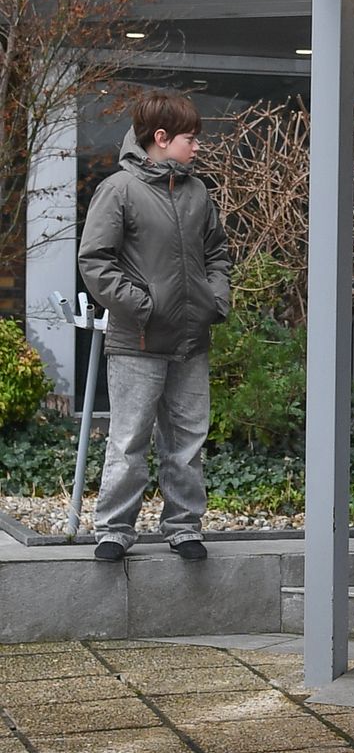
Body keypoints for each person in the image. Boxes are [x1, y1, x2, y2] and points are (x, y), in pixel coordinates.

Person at [78, 90, 230, 561]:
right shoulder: (119, 190)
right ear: (160, 139)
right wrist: (143, 307)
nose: (197, 147)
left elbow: (217, 255)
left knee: (187, 440)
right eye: (191, 138)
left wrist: (215, 300)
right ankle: (114, 531)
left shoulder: (198, 192)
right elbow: (95, 261)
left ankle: (184, 527)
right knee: (129, 440)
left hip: (191, 341)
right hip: (137, 341)